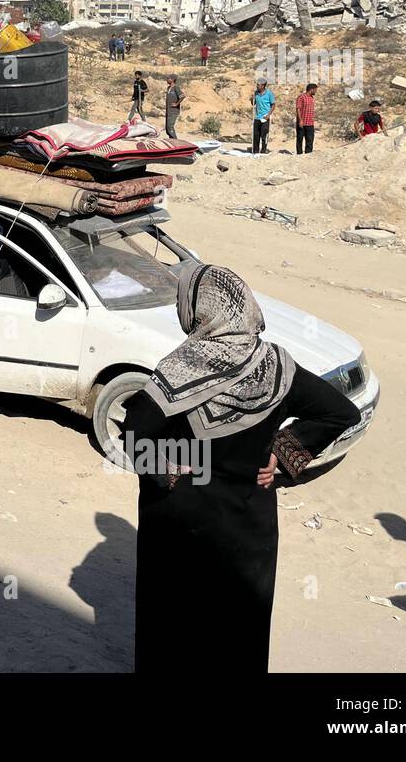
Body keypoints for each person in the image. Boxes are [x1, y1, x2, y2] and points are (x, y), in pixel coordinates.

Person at [122, 262, 360, 672]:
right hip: (249, 525)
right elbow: (340, 412)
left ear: (198, 310)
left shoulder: (181, 368)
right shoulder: (277, 365)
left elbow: (133, 436)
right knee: (240, 628)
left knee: (175, 628)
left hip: (183, 524)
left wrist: (174, 467)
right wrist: (283, 452)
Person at [252, 77, 274, 154]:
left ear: (263, 86)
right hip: (257, 117)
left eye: (258, 85)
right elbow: (253, 104)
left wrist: (268, 114)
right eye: (257, 85)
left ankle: (263, 150)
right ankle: (255, 151)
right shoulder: (256, 93)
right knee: (256, 135)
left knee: (264, 135)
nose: (257, 86)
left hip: (265, 117)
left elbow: (273, 105)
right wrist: (252, 99)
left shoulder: (269, 94)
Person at [295, 82, 317, 154]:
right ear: (311, 89)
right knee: (300, 139)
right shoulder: (301, 97)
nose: (315, 91)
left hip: (310, 123)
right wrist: (300, 120)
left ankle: (308, 154)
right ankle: (299, 154)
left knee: (310, 140)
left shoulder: (312, 98)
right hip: (302, 122)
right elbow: (298, 109)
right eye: (315, 90)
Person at [164, 75, 184, 139]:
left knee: (170, 127)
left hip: (173, 111)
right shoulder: (168, 88)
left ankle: (176, 141)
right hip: (168, 111)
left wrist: (176, 104)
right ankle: (171, 141)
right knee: (167, 129)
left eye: (168, 78)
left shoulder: (176, 88)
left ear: (172, 80)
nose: (167, 79)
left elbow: (182, 96)